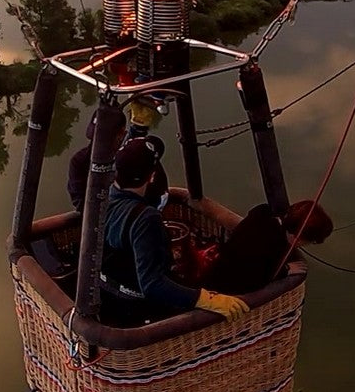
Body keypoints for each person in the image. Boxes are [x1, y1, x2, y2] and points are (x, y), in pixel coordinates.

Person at [100, 137, 249, 326]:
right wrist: (207, 299)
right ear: (152, 176)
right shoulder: (145, 218)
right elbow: (153, 286)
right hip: (137, 306)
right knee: (227, 282)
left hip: (107, 294)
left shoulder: (102, 197)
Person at [198, 200, 333, 295]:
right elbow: (256, 281)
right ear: (297, 237)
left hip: (215, 268)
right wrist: (286, 271)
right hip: (222, 288)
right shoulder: (273, 250)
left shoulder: (263, 211)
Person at [67, 107, 168, 213]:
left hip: (133, 216)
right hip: (100, 221)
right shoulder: (79, 161)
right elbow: (80, 203)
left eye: (105, 139)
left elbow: (156, 192)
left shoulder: (132, 156)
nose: (99, 144)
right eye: (96, 138)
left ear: (121, 135)